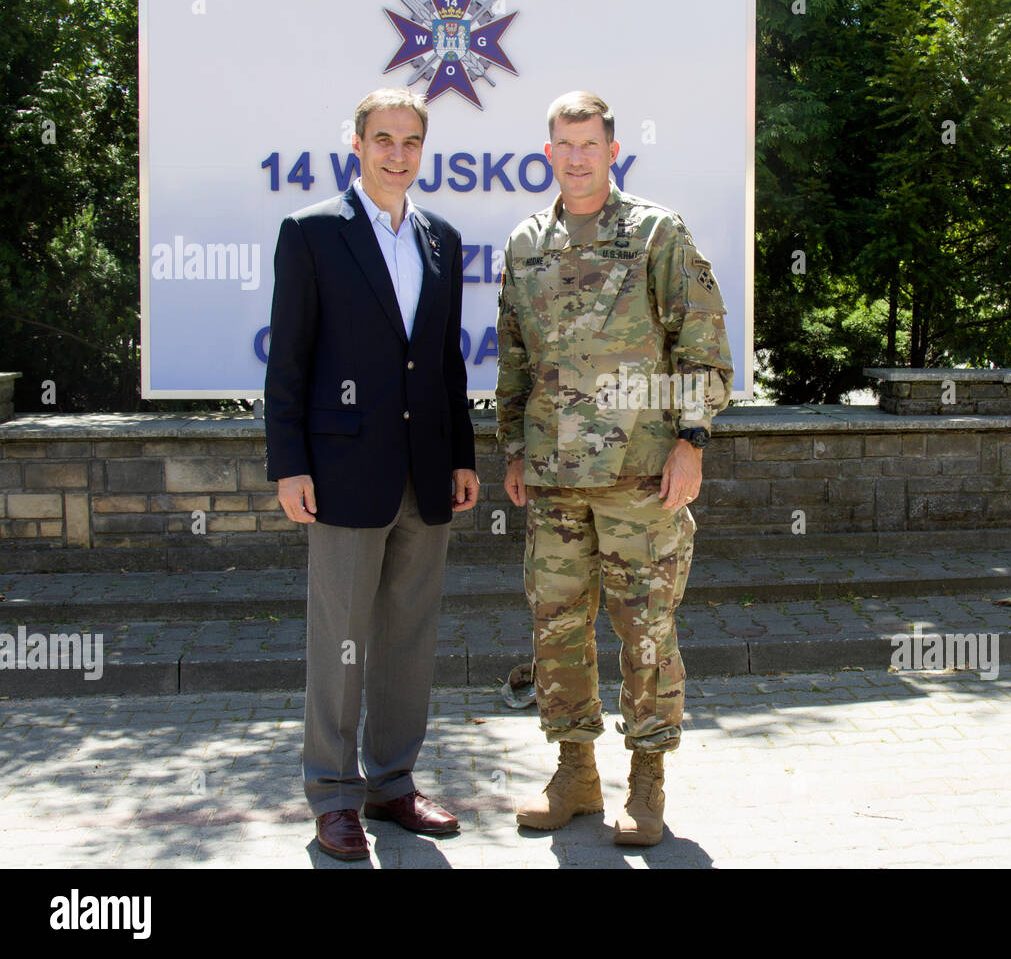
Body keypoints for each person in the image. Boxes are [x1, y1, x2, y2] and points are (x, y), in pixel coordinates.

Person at [495, 91, 732, 846]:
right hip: (555, 481)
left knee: (646, 634)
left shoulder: (657, 233)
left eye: (588, 145)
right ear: (548, 155)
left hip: (642, 479)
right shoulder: (526, 243)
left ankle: (648, 783)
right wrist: (511, 449)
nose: (575, 157)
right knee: (557, 630)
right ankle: (575, 775)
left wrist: (691, 440)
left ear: (612, 152)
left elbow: (705, 348)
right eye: (562, 145)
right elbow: (513, 358)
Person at [264, 87, 479, 862]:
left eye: (410, 141)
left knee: (408, 638)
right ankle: (333, 794)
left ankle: (392, 782)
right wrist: (289, 465)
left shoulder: (441, 239)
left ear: (424, 149)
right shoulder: (313, 232)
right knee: (341, 640)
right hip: (344, 471)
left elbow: (445, 362)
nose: (396, 153)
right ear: (355, 144)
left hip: (424, 474)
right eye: (382, 139)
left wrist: (462, 454)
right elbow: (286, 362)